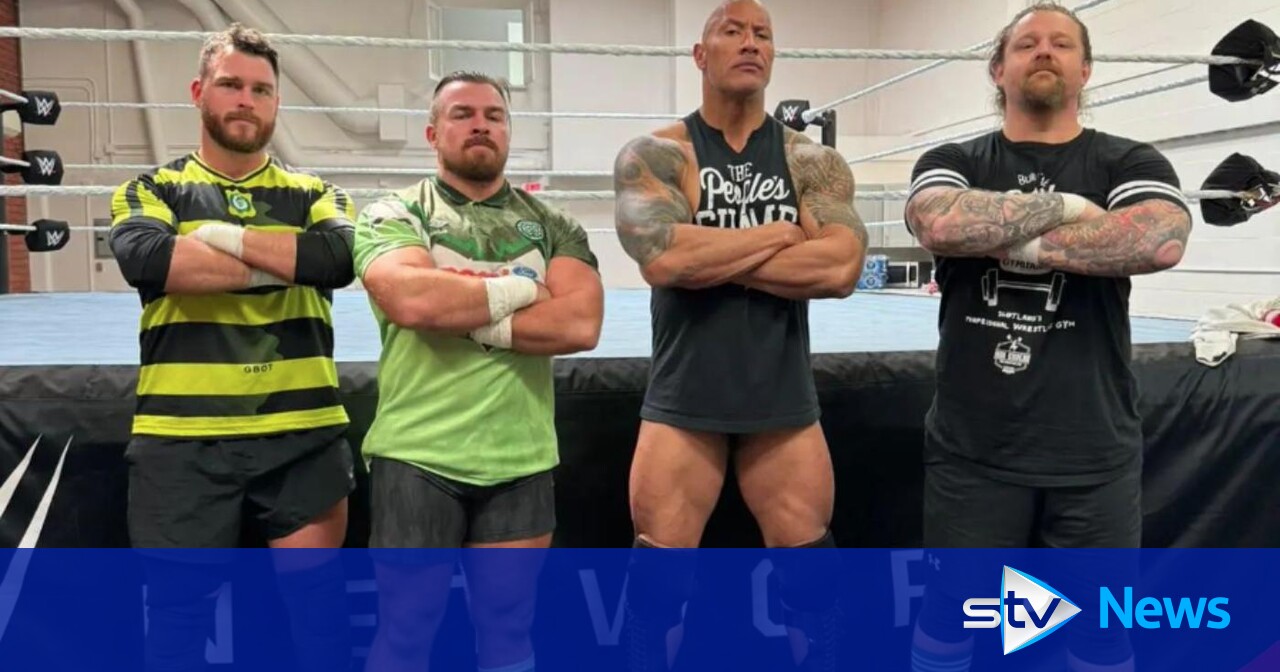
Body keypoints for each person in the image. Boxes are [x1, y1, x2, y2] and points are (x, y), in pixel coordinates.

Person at [904, 4, 1192, 672]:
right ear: (997, 69)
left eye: (1061, 43)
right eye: (1026, 43)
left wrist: (999, 236)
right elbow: (938, 224)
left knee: (1100, 636)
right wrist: (1072, 210)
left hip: (1093, 451)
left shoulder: (1127, 158)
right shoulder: (955, 158)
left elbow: (1158, 240)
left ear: (1084, 69)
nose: (1043, 51)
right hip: (973, 450)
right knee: (949, 621)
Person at [611, 1, 868, 670]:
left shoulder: (811, 161)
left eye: (762, 34)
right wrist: (781, 234)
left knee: (813, 587)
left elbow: (839, 267)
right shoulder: (656, 153)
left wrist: (711, 254)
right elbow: (663, 258)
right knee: (655, 595)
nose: (750, 42)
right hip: (683, 399)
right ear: (701, 55)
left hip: (781, 400)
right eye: (732, 31)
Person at [108, 23, 357, 672]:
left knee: (321, 622)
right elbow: (151, 260)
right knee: (176, 630)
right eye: (230, 85)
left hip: (301, 431)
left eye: (261, 89)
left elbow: (336, 259)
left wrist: (217, 241)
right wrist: (286, 260)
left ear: (276, 102)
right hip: (181, 438)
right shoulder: (151, 190)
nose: (246, 100)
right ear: (199, 92)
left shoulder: (316, 193)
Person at [353, 71, 604, 672]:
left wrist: (458, 309)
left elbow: (580, 323)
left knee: (509, 625)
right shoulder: (395, 211)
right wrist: (524, 287)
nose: (480, 125)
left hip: (519, 454)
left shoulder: (553, 225)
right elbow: (412, 301)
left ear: (509, 132)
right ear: (433, 133)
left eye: (494, 115)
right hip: (418, 452)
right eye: (462, 114)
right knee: (407, 628)